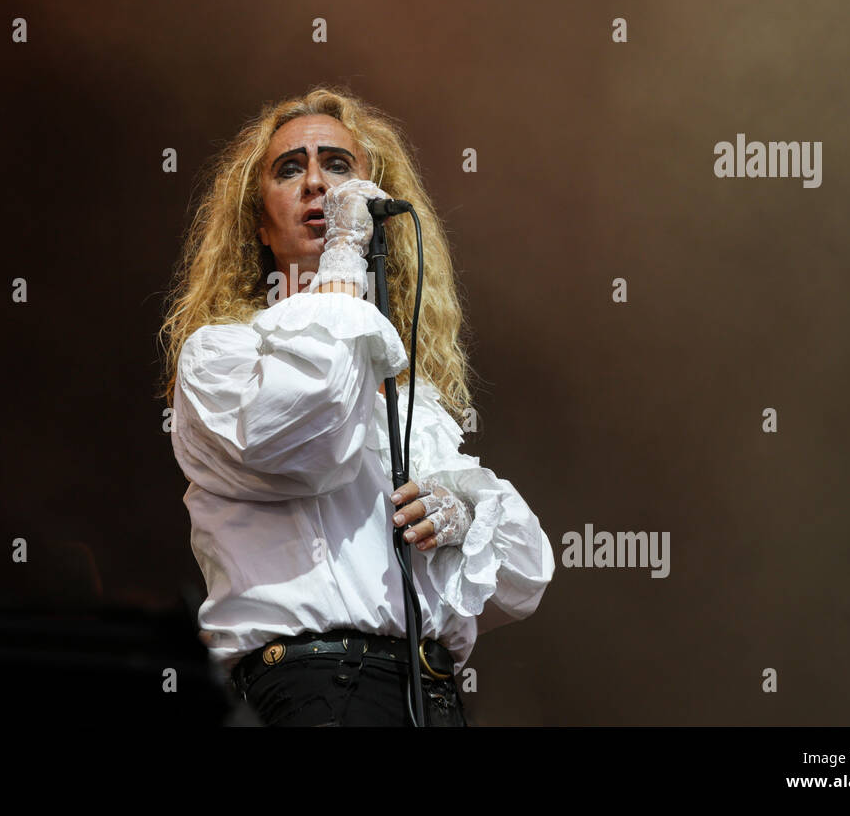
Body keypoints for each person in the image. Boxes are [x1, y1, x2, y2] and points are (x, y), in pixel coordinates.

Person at [158, 85, 555, 726]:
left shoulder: (409, 396)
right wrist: (341, 258)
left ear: (378, 200)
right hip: (318, 690)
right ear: (259, 223)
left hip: (434, 696)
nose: (317, 182)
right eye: (290, 168)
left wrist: (464, 516)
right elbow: (310, 444)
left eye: (338, 165)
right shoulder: (223, 355)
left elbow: (525, 579)